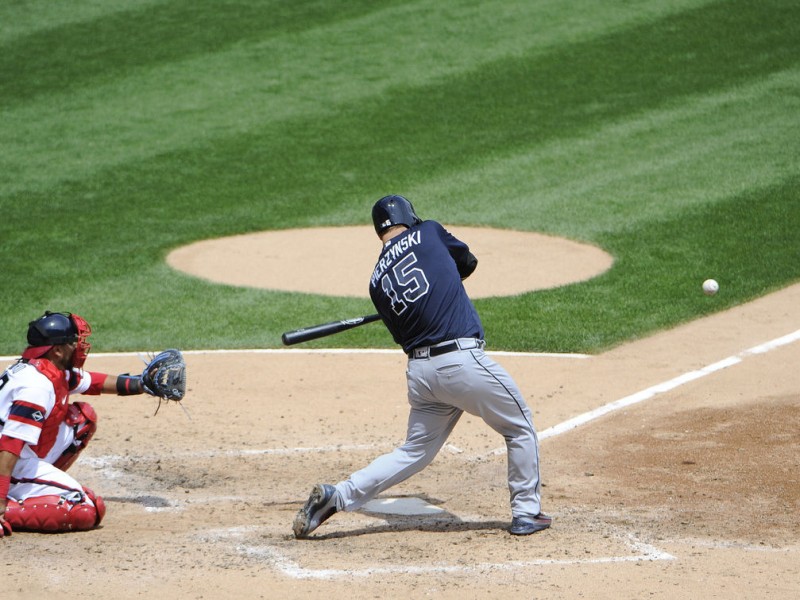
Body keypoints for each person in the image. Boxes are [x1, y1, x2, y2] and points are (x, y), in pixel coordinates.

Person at [293, 195, 551, 538]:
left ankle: (337, 495)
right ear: (409, 216)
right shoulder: (429, 232)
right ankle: (526, 512)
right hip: (461, 364)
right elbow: (467, 263)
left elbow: (407, 332)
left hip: (422, 376)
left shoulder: (376, 284)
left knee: (414, 451)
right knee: (519, 426)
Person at [0, 311, 159, 537]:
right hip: (6, 461)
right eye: (72, 342)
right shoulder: (35, 387)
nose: (78, 347)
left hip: (18, 456)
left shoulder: (47, 369)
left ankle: (36, 488)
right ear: (57, 349)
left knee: (82, 420)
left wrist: (142, 384)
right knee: (85, 508)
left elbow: (94, 382)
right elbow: (10, 445)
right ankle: (12, 502)